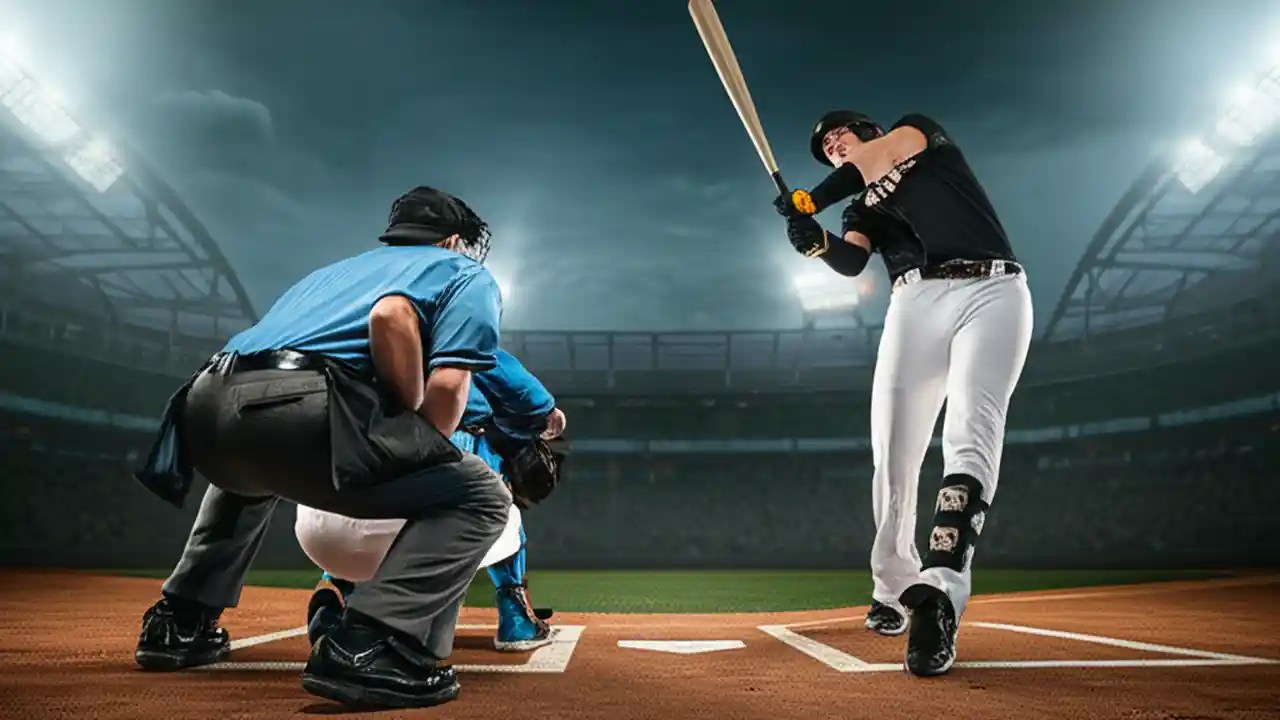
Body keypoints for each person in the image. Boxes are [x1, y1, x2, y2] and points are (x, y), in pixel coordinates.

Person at [131, 185, 513, 709]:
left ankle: (178, 621)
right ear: (452, 241)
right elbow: (443, 389)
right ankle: (374, 644)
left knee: (252, 473)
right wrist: (415, 457)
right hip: (305, 407)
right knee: (481, 495)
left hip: (203, 405)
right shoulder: (464, 273)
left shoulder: (328, 274)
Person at [775, 111, 1033, 676]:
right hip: (913, 303)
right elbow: (851, 259)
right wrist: (814, 240)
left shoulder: (916, 136)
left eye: (838, 135)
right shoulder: (859, 204)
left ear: (866, 130)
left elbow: (878, 160)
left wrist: (807, 200)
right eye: (824, 146)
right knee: (894, 454)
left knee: (970, 434)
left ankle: (940, 595)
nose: (833, 145)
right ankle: (892, 587)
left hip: (992, 289)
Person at [298, 348, 567, 653]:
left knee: (358, 500)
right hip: (428, 521)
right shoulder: (460, 341)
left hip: (321, 524)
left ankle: (336, 590)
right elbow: (534, 403)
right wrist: (548, 420)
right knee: (499, 505)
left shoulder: (349, 344)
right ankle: (515, 618)